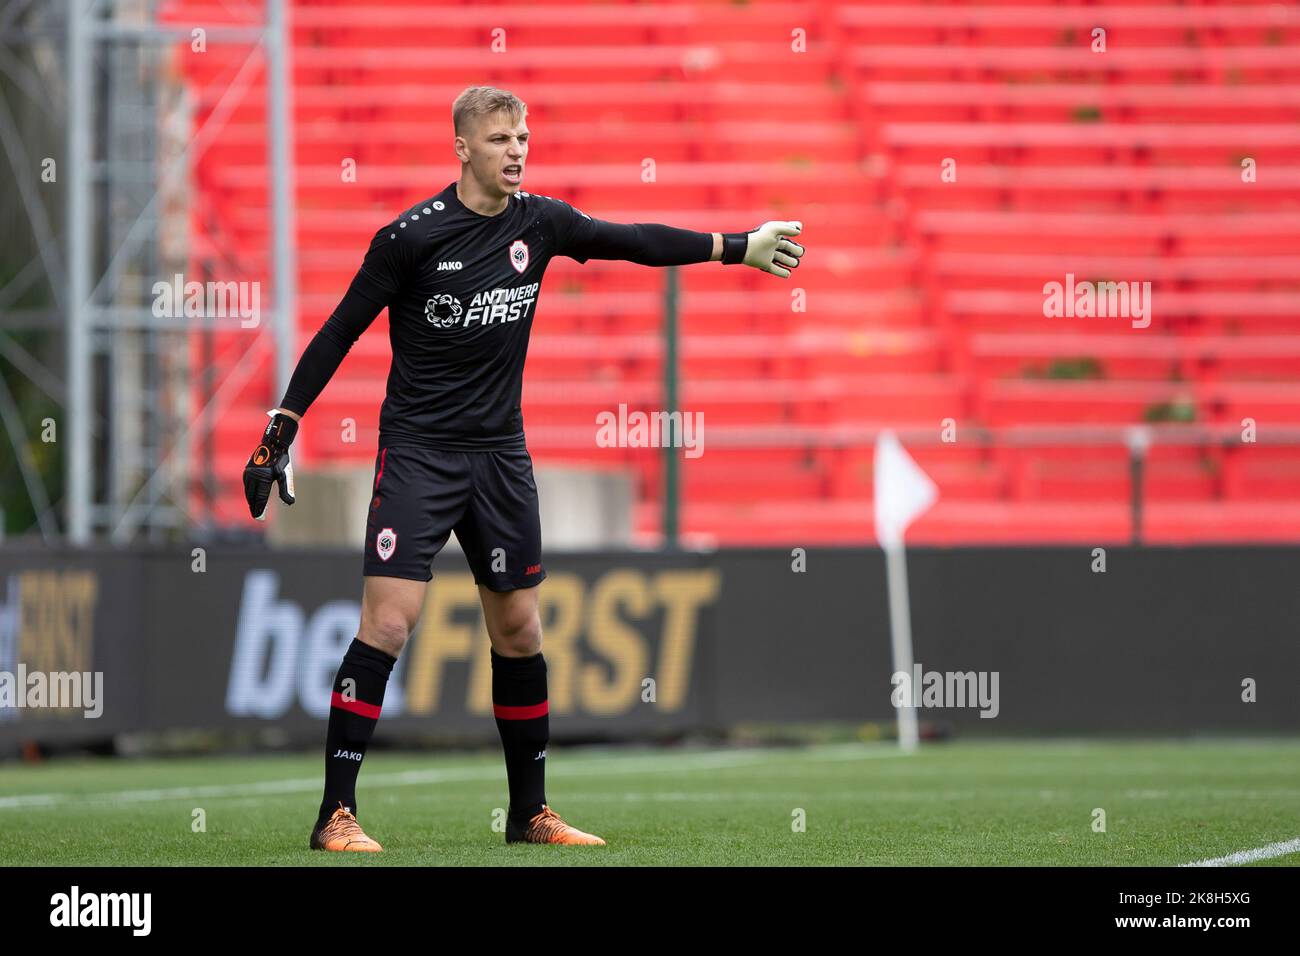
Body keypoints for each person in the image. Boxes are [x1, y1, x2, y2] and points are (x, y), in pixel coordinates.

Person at [242, 85, 805, 851]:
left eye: (524, 137)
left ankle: (529, 813)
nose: (517, 150)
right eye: (502, 137)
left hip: (500, 456)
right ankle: (335, 815)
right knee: (389, 622)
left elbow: (631, 238)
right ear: (463, 147)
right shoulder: (410, 238)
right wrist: (281, 429)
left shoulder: (540, 223)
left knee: (519, 629)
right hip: (418, 453)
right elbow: (339, 331)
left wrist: (736, 245)